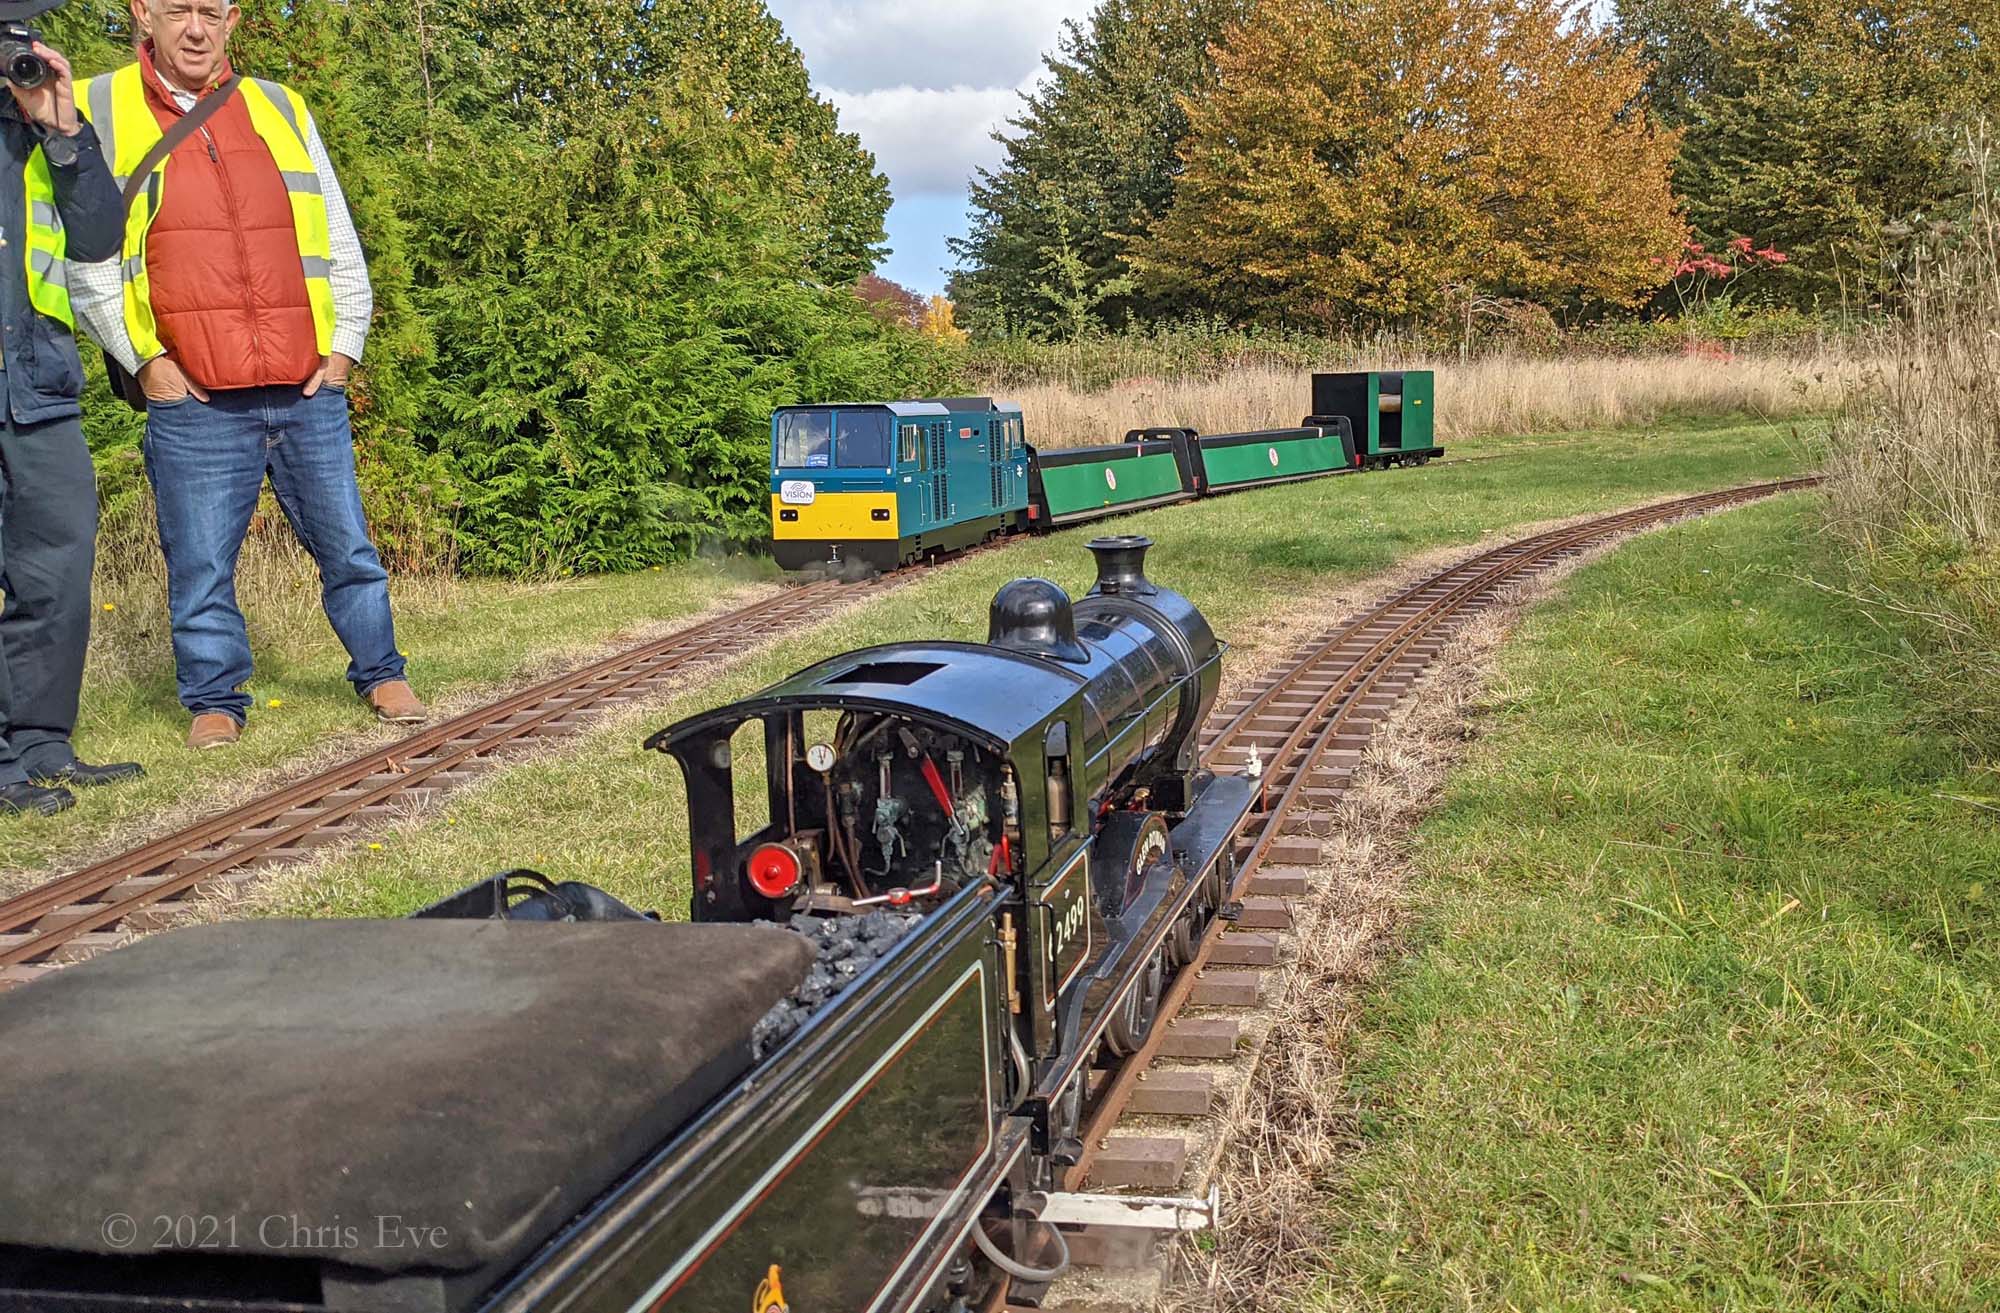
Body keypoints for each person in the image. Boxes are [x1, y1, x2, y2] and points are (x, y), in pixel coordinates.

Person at [73, 0, 426, 752]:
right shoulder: (97, 105)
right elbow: (87, 257)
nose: (195, 28)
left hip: (305, 386)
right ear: (143, 14)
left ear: (232, 19)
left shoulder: (278, 105)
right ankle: (214, 700)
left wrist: (345, 347)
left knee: (349, 550)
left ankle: (382, 672)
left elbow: (335, 229)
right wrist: (147, 363)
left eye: (211, 11)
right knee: (200, 564)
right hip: (194, 397)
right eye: (178, 10)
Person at [0, 4, 142, 818]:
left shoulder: (40, 128)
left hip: (40, 386)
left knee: (56, 572)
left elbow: (96, 240)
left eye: (21, 44)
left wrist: (61, 128)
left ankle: (42, 741)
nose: (14, 57)